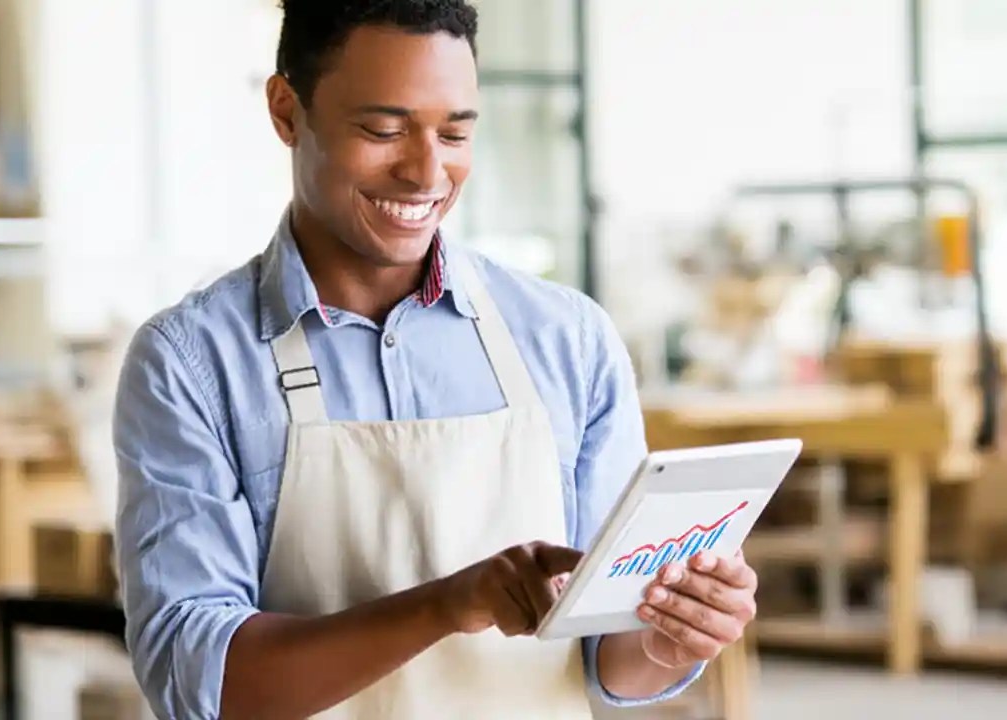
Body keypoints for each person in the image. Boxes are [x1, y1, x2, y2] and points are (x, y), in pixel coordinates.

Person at [113, 1, 759, 718]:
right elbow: (198, 680)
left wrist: (672, 637)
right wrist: (445, 605)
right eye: (384, 130)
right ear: (287, 110)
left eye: (454, 133)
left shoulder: (568, 339)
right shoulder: (192, 364)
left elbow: (609, 652)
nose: (426, 172)